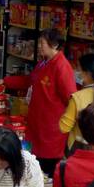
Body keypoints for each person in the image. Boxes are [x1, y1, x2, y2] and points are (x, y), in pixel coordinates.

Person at [26, 28, 76, 179]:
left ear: (54, 45)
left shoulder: (62, 66)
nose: (39, 46)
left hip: (51, 130)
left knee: (47, 172)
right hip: (38, 126)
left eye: (42, 43)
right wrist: (5, 82)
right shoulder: (44, 63)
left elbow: (71, 99)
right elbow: (30, 80)